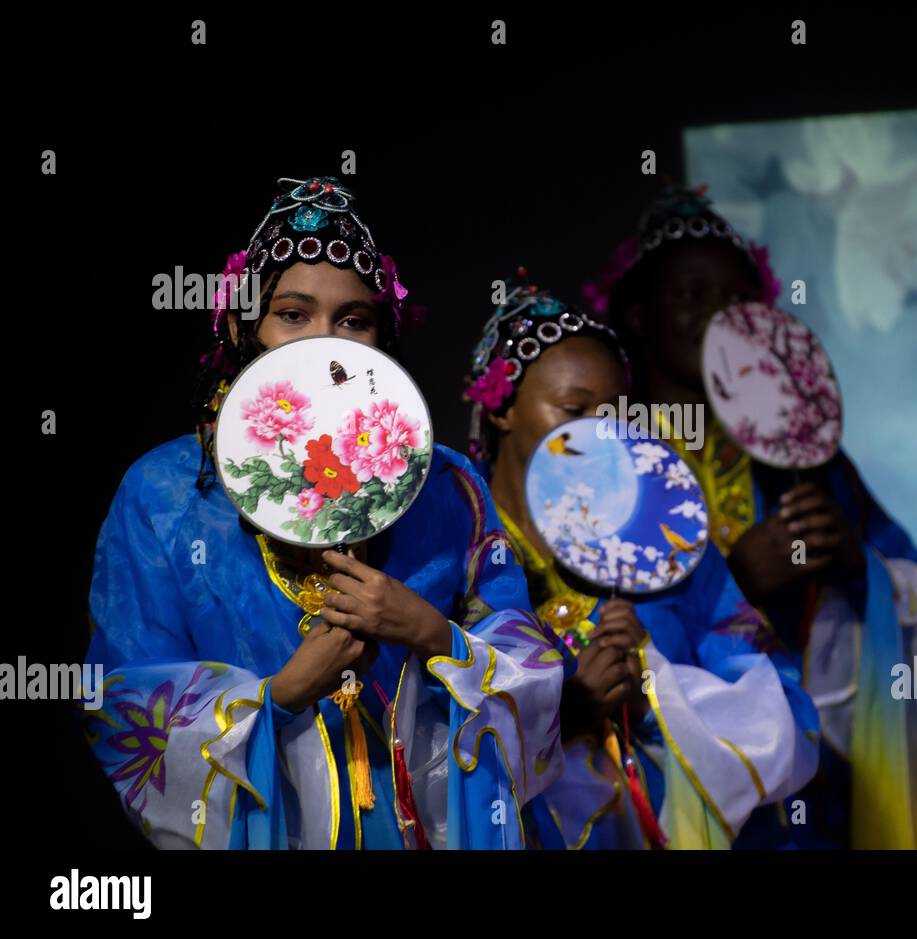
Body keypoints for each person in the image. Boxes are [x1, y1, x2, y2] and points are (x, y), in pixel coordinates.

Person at [81, 177, 564, 849]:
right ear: (239, 324)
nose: (323, 342)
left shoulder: (447, 482)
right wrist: (277, 697)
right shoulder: (163, 492)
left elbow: (530, 663)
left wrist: (432, 634)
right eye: (293, 314)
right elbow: (124, 701)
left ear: (381, 334)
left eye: (352, 320)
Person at [585, 186, 917, 848]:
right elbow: (591, 630)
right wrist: (737, 580)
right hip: (682, 790)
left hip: (821, 782)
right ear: (639, 315)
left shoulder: (808, 457)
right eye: (692, 295)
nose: (720, 317)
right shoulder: (615, 462)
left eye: (738, 299)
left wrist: (856, 565)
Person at [465, 269, 819, 848]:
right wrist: (566, 710)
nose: (598, 436)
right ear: (502, 409)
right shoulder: (460, 543)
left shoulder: (670, 538)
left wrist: (654, 694)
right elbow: (422, 725)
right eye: (573, 411)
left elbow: (784, 709)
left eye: (614, 415)